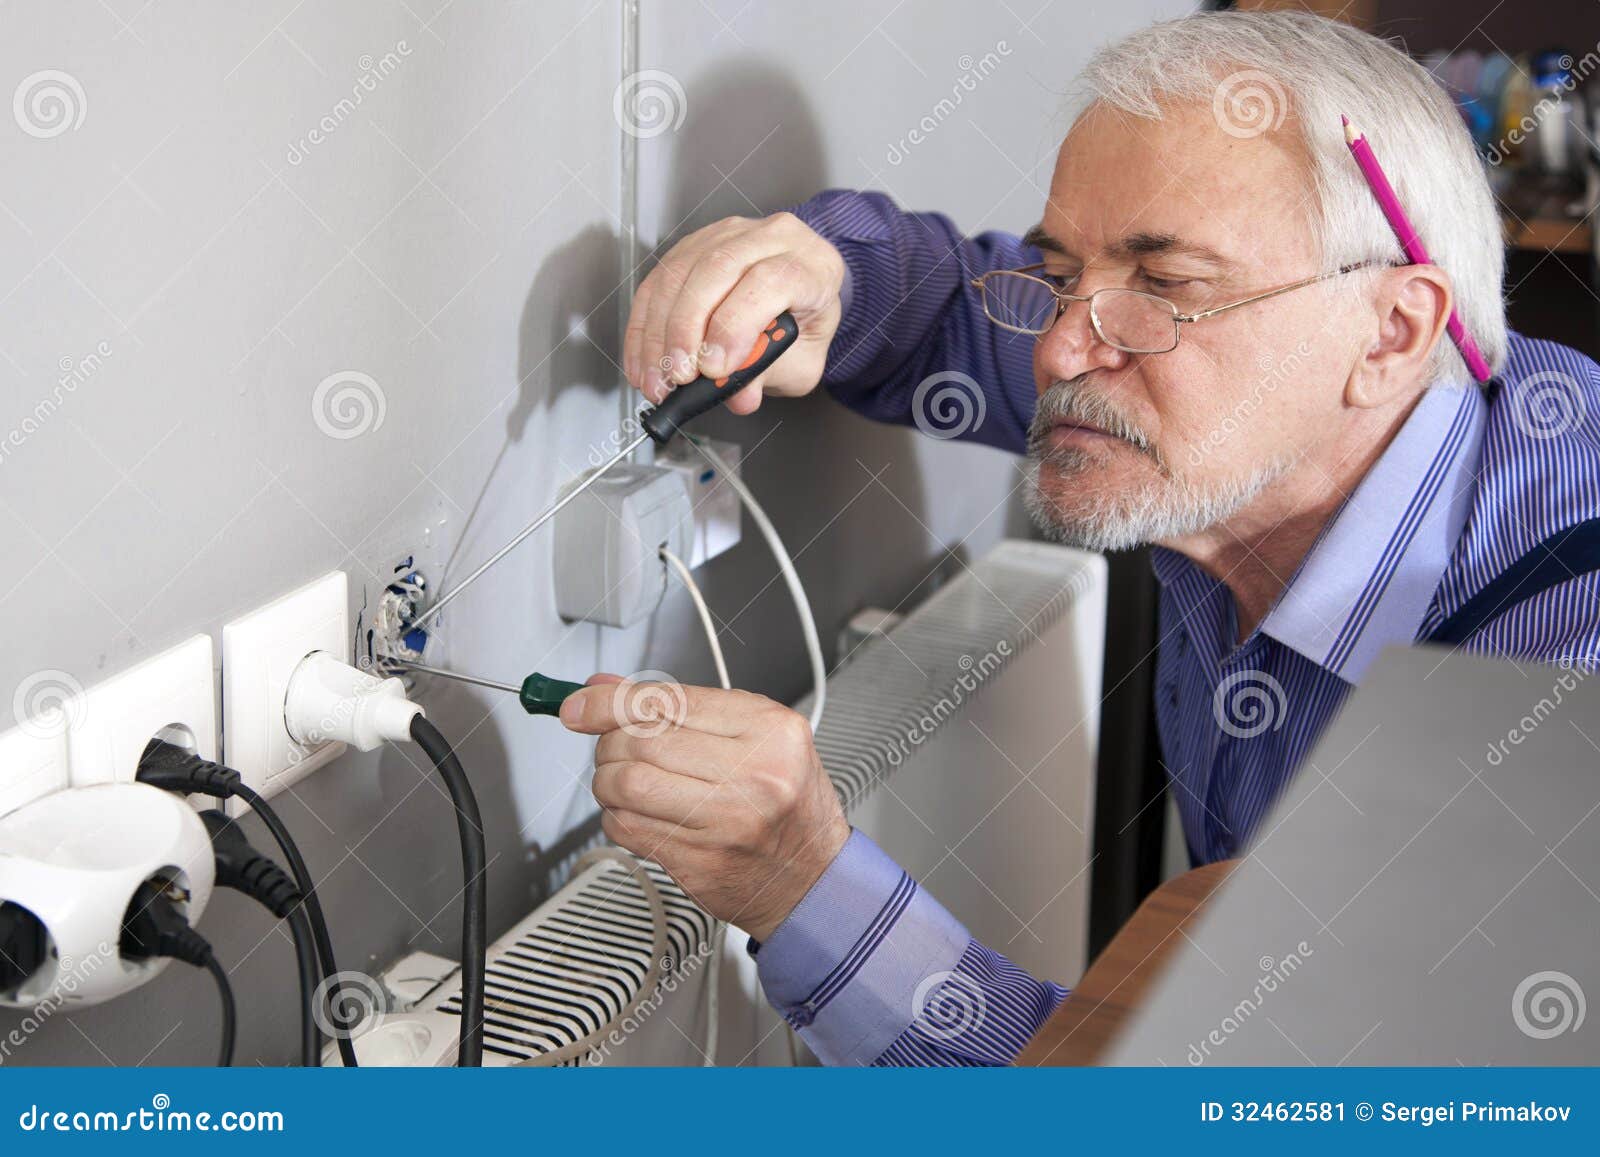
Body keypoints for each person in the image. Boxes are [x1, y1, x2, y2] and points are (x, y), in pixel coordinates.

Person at [559, 10, 1600, 1065]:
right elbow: (944, 306)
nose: (1059, 348)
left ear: (1391, 331)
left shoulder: (1549, 717)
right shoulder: (1273, 409)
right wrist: (828, 274)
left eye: (1165, 282)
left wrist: (801, 884)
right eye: (1064, 274)